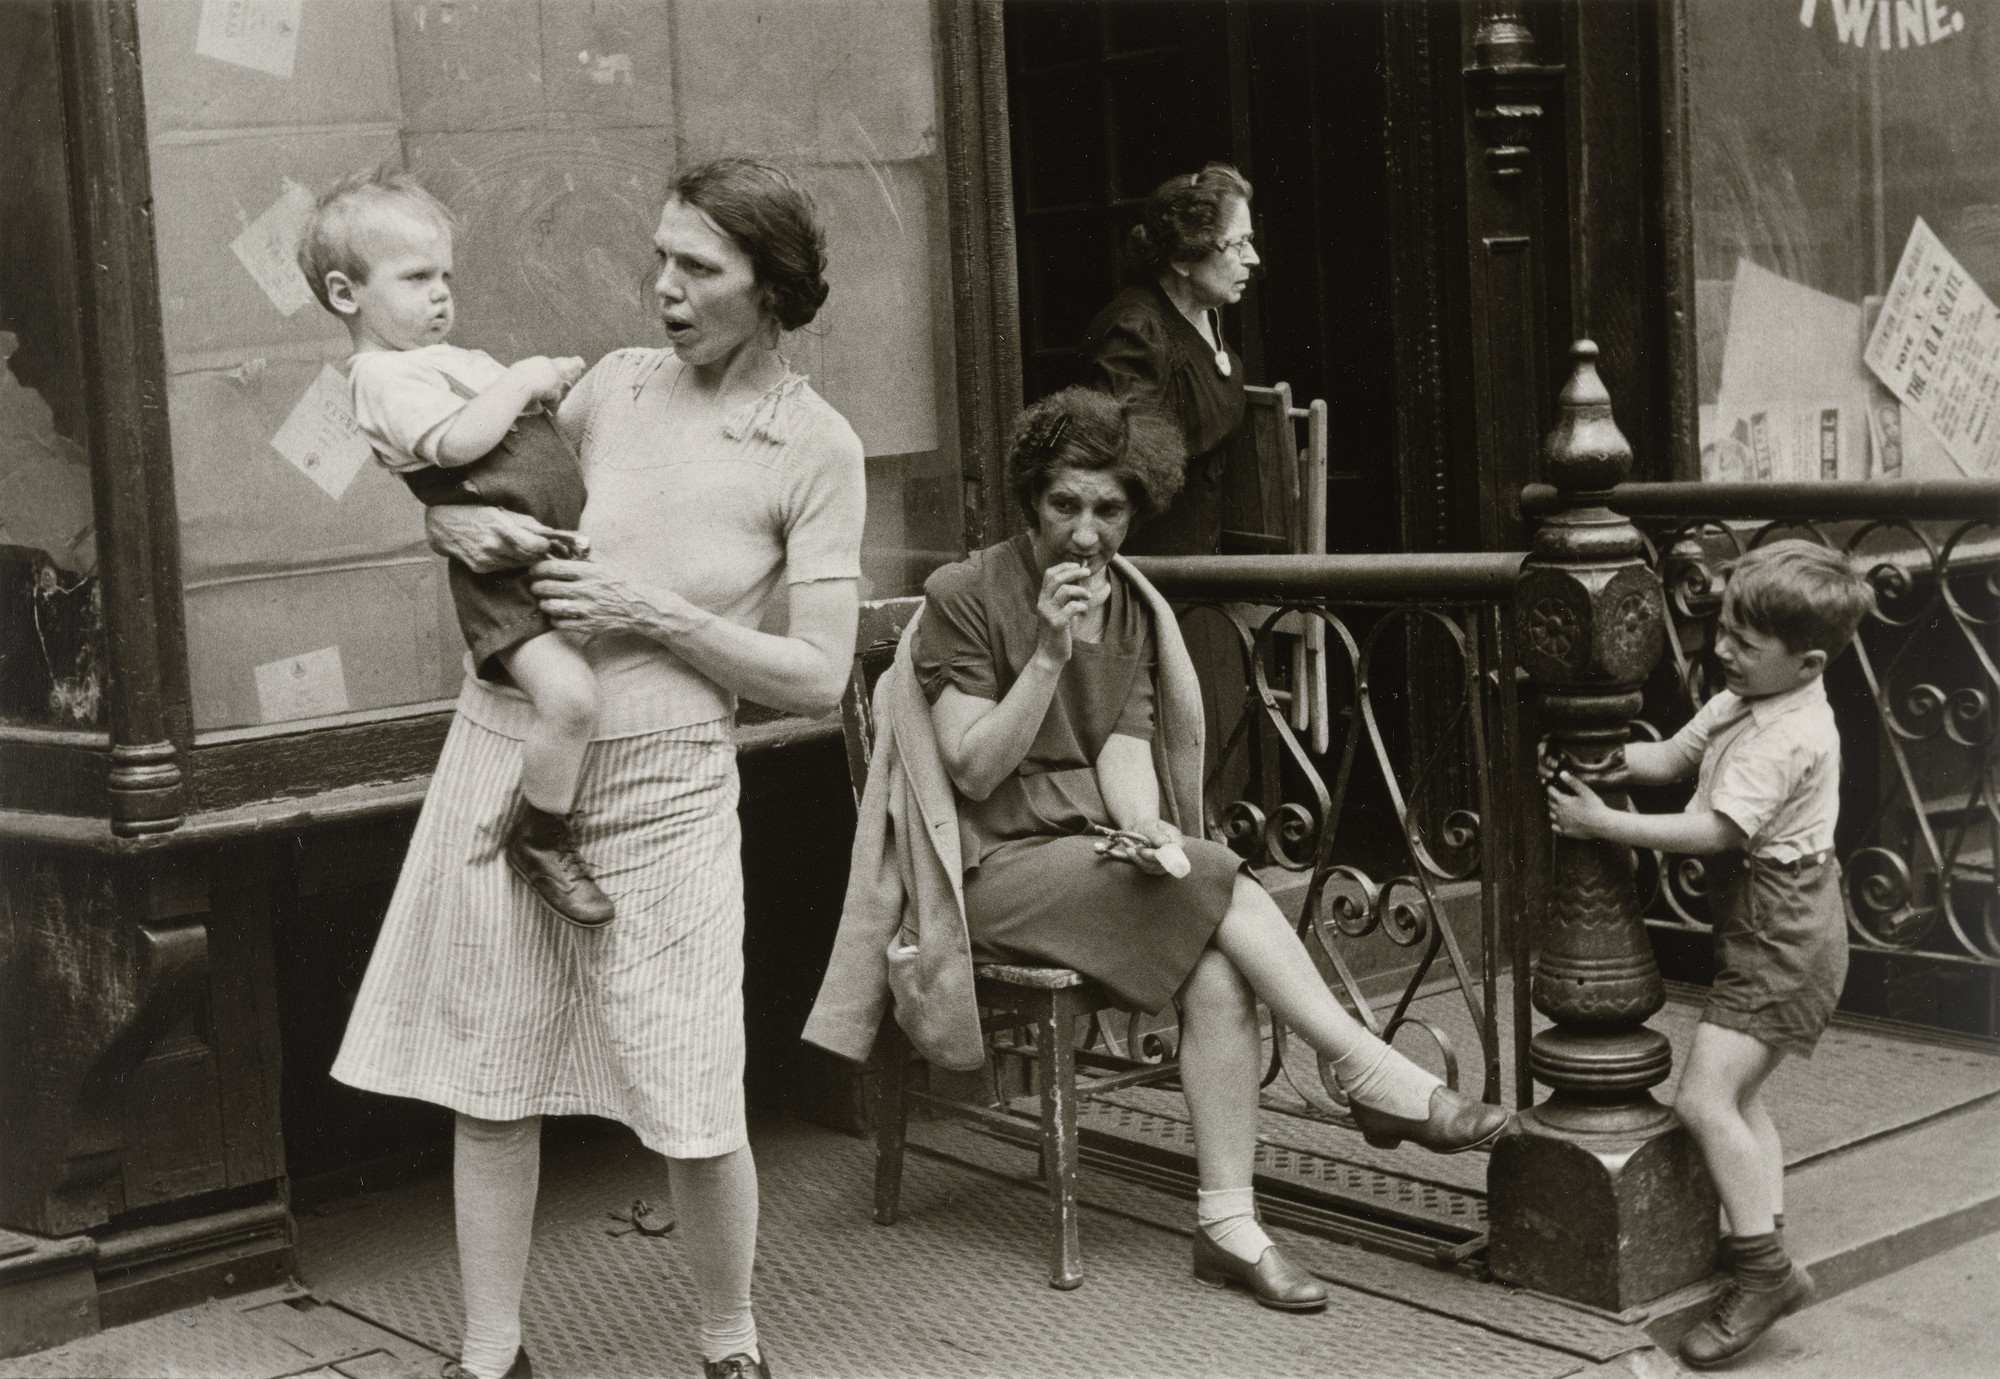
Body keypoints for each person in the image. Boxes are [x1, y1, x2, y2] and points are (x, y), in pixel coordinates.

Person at [805, 386, 1510, 1313]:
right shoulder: (965, 595)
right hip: (984, 871)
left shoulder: (1131, 611)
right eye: (1067, 504)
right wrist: (1051, 654)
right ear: (1032, 498)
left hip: (1084, 859)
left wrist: (1145, 828)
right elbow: (972, 771)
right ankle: (1364, 1068)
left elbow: (1123, 754)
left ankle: (1228, 1225)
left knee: (1216, 966)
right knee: (1223, 880)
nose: (1088, 534)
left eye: (1110, 509)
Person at [333, 157, 865, 1379]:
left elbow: (816, 675)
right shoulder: (614, 387)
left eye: (698, 267)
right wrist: (442, 522)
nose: (663, 288)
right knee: (491, 1067)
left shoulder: (813, 445)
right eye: (661, 257)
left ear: (772, 287)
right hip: (509, 752)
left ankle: (730, 1345)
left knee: (690, 1078)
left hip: (668, 783)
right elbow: (468, 475)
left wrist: (651, 608)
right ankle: (490, 1353)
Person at [1544, 540, 1875, 1370]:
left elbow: (1713, 830)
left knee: (1702, 1099)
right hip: (1770, 924)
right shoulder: (1743, 697)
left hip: (1784, 933)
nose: (1722, 649)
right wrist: (1607, 763)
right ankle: (1758, 1238)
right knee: (1742, 1097)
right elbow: (1675, 757)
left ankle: (1765, 1275)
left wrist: (1604, 824)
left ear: (1808, 663)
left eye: (1744, 642)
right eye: (1721, 627)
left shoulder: (1792, 730)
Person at [300, 169, 611, 927]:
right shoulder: (379, 377)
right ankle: (539, 836)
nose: (440, 293)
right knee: (570, 700)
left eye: (445, 275)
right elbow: (463, 440)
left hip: (553, 556)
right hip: (506, 581)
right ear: (348, 295)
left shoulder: (448, 360)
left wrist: (553, 387)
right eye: (415, 278)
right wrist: (527, 378)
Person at [1081, 163, 1258, 556]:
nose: (1253, 258)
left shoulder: (1205, 313)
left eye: (1250, 240)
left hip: (1207, 554)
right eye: (1236, 245)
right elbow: (1125, 467)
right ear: (1182, 258)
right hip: (1156, 566)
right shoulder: (1135, 334)